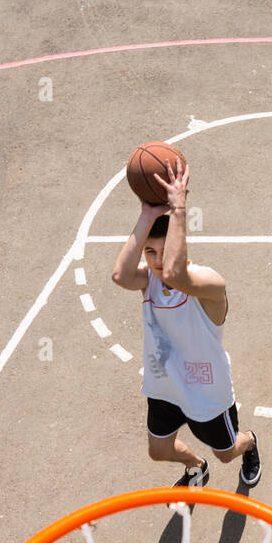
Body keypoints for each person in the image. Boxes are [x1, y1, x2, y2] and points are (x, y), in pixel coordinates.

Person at [111, 157, 260, 489]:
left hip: (205, 392)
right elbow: (120, 275)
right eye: (150, 252)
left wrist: (178, 208)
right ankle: (196, 465)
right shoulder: (149, 280)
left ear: (182, 252)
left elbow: (178, 274)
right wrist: (147, 214)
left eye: (164, 251)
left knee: (227, 452)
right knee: (159, 451)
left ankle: (250, 441)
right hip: (165, 386)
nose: (156, 260)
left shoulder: (208, 283)